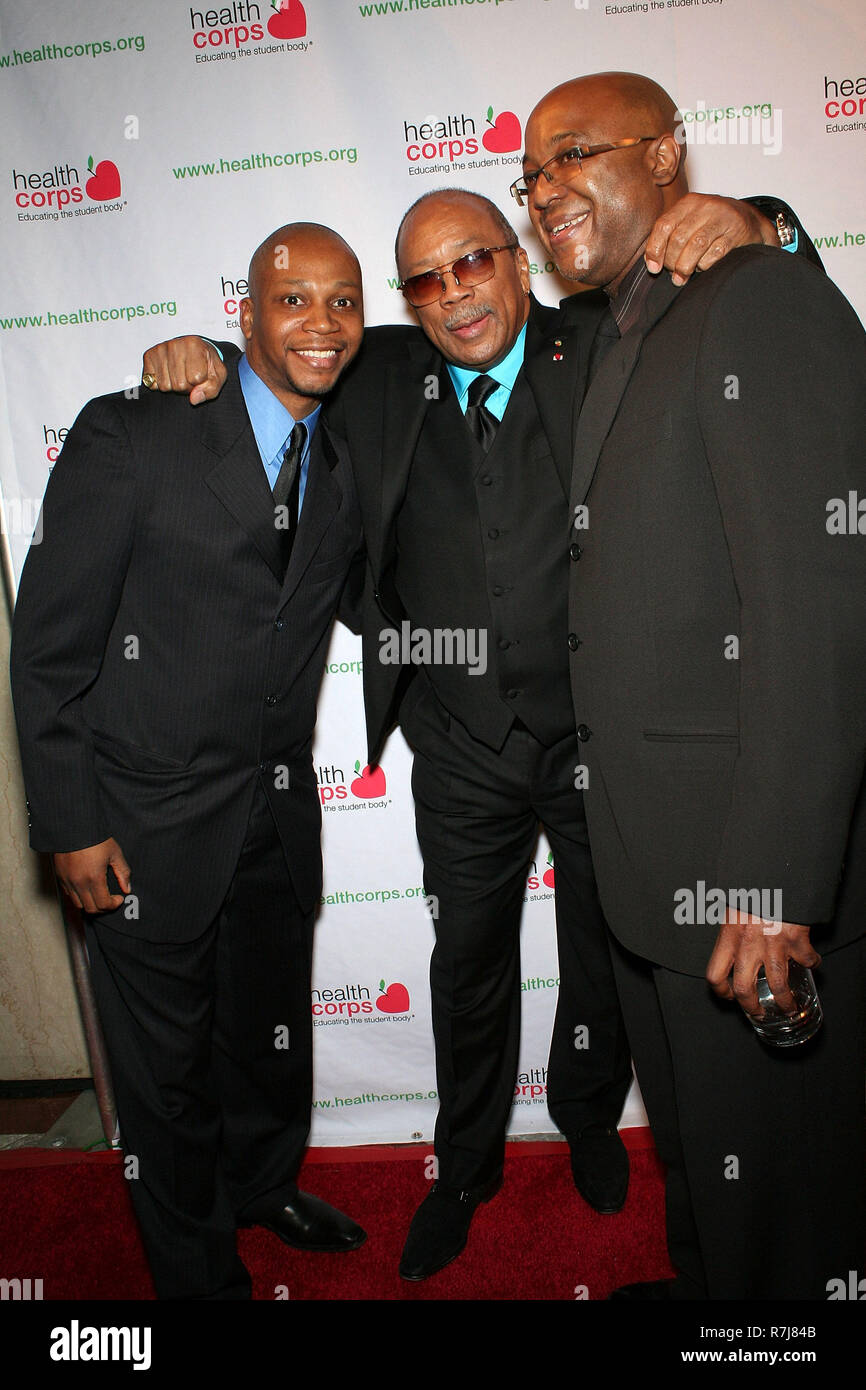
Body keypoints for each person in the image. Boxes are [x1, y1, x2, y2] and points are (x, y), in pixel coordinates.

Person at [142, 182, 816, 1284]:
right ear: (404, 299)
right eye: (423, 278)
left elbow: (773, 301)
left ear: (516, 260)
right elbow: (281, 361)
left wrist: (763, 224)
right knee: (465, 963)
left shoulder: (604, 335)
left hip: (603, 736)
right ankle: (462, 1168)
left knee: (607, 958)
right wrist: (193, 355)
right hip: (458, 744)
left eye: (473, 262)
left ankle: (591, 1124)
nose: (452, 293)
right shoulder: (378, 378)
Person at [517, 71, 866, 1299]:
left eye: (573, 153)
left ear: (667, 158)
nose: (545, 187)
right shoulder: (619, 324)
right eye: (530, 175)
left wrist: (777, 877)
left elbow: (818, 609)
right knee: (708, 1168)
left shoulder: (755, 301)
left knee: (786, 1208)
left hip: (746, 877)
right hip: (656, 866)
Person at [10, 223, 368, 1300]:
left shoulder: (340, 461)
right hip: (139, 826)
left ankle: (263, 1186)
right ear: (244, 313)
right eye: (291, 299)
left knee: (266, 1040)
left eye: (342, 301)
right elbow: (49, 647)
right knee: (163, 1083)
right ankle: (198, 1277)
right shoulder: (133, 433)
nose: (320, 322)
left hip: (271, 818)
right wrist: (69, 820)